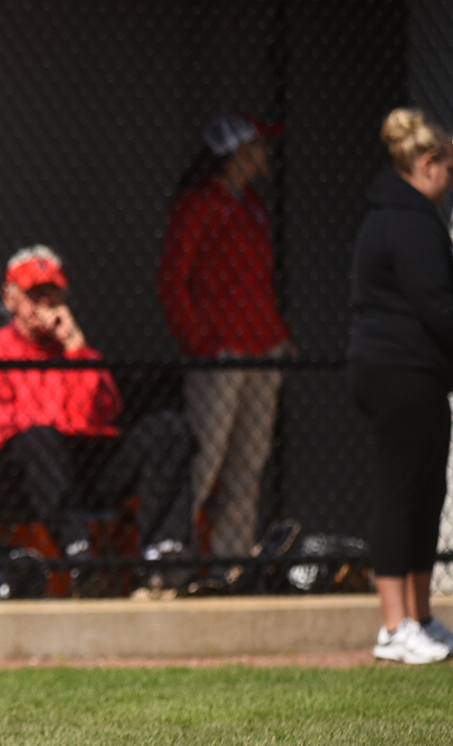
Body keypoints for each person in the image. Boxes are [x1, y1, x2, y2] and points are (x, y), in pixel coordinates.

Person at [0, 246, 192, 577]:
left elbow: (101, 414)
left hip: (80, 468)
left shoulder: (73, 350)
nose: (45, 303)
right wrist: (48, 424)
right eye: (35, 294)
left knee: (168, 429)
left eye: (52, 293)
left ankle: (163, 553)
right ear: (10, 299)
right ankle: (78, 551)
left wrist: (77, 348)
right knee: (40, 440)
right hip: (15, 479)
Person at [348, 108, 453, 664]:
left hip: (413, 374)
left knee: (426, 495)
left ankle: (419, 618)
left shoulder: (400, 218)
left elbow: (439, 294)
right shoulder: (412, 222)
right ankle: (395, 627)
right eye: (449, 169)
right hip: (401, 374)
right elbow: (438, 310)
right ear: (426, 165)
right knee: (401, 496)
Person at [159, 112, 292, 564]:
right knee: (205, 458)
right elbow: (172, 282)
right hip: (221, 352)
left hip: (262, 347)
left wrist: (280, 335)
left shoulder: (252, 205)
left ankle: (229, 562)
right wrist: (200, 340)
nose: (264, 154)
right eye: (257, 146)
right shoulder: (198, 206)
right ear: (236, 154)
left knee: (247, 466)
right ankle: (173, 557)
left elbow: (259, 281)